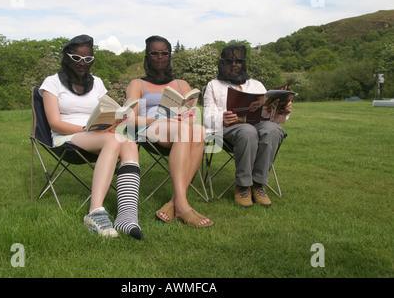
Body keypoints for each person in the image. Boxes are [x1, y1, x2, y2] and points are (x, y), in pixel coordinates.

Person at [39, 35, 143, 239]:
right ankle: (95, 212)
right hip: (67, 137)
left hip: (97, 133)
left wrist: (118, 118)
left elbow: (110, 107)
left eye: (88, 59)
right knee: (113, 140)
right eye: (77, 58)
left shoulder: (96, 83)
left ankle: (127, 215)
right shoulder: (52, 83)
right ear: (67, 58)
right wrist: (88, 129)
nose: (82, 64)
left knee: (128, 142)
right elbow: (54, 123)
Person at [127, 35, 213, 228]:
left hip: (180, 128)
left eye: (164, 53)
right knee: (184, 130)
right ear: (147, 56)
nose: (160, 57)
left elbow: (191, 115)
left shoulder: (182, 84)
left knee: (198, 130)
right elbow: (130, 119)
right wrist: (163, 119)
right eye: (154, 53)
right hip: (151, 129)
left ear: (169, 56)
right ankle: (183, 206)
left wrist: (185, 117)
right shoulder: (137, 84)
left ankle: (175, 202)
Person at [203, 44, 292, 208]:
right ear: (223, 63)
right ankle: (243, 186)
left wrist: (282, 110)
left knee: (272, 129)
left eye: (238, 61)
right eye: (230, 61)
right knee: (247, 130)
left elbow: (270, 116)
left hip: (259, 127)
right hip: (229, 132)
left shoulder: (256, 85)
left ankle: (258, 185)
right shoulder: (213, 85)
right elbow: (207, 119)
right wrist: (222, 118)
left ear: (244, 63)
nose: (234, 64)